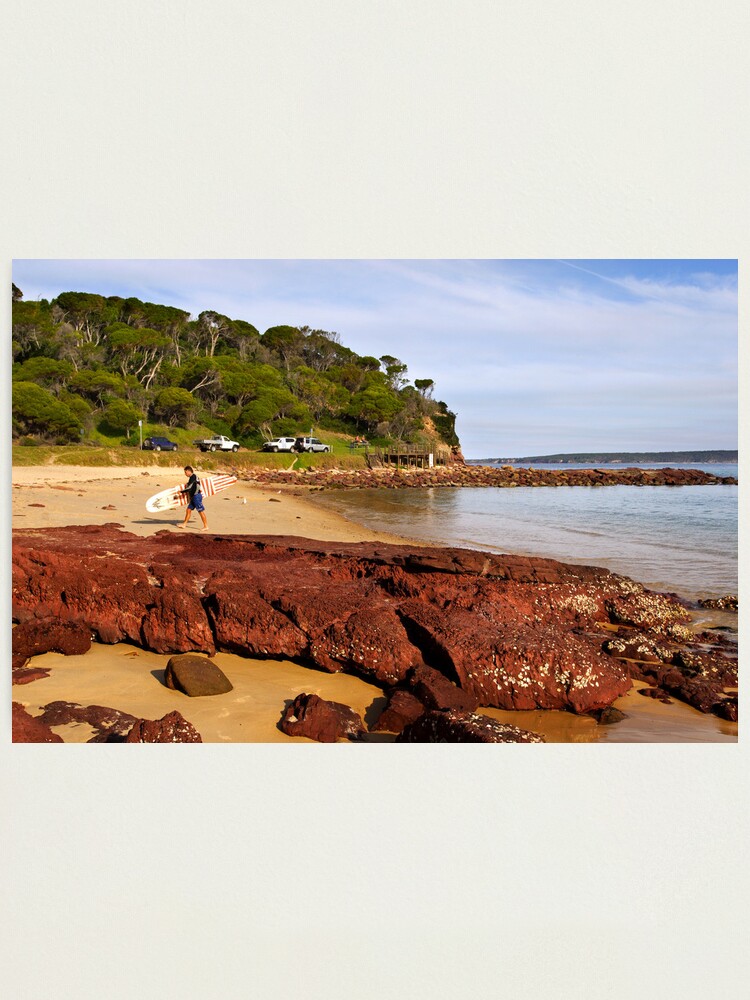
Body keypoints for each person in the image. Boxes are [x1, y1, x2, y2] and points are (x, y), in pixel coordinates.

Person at [177, 466, 208, 530]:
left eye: (185, 472)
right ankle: (184, 524)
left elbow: (189, 488)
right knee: (188, 510)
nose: (185, 474)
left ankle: (206, 526)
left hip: (196, 496)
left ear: (188, 471)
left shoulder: (193, 477)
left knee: (200, 511)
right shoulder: (193, 477)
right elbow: (196, 485)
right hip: (194, 497)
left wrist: (181, 492)